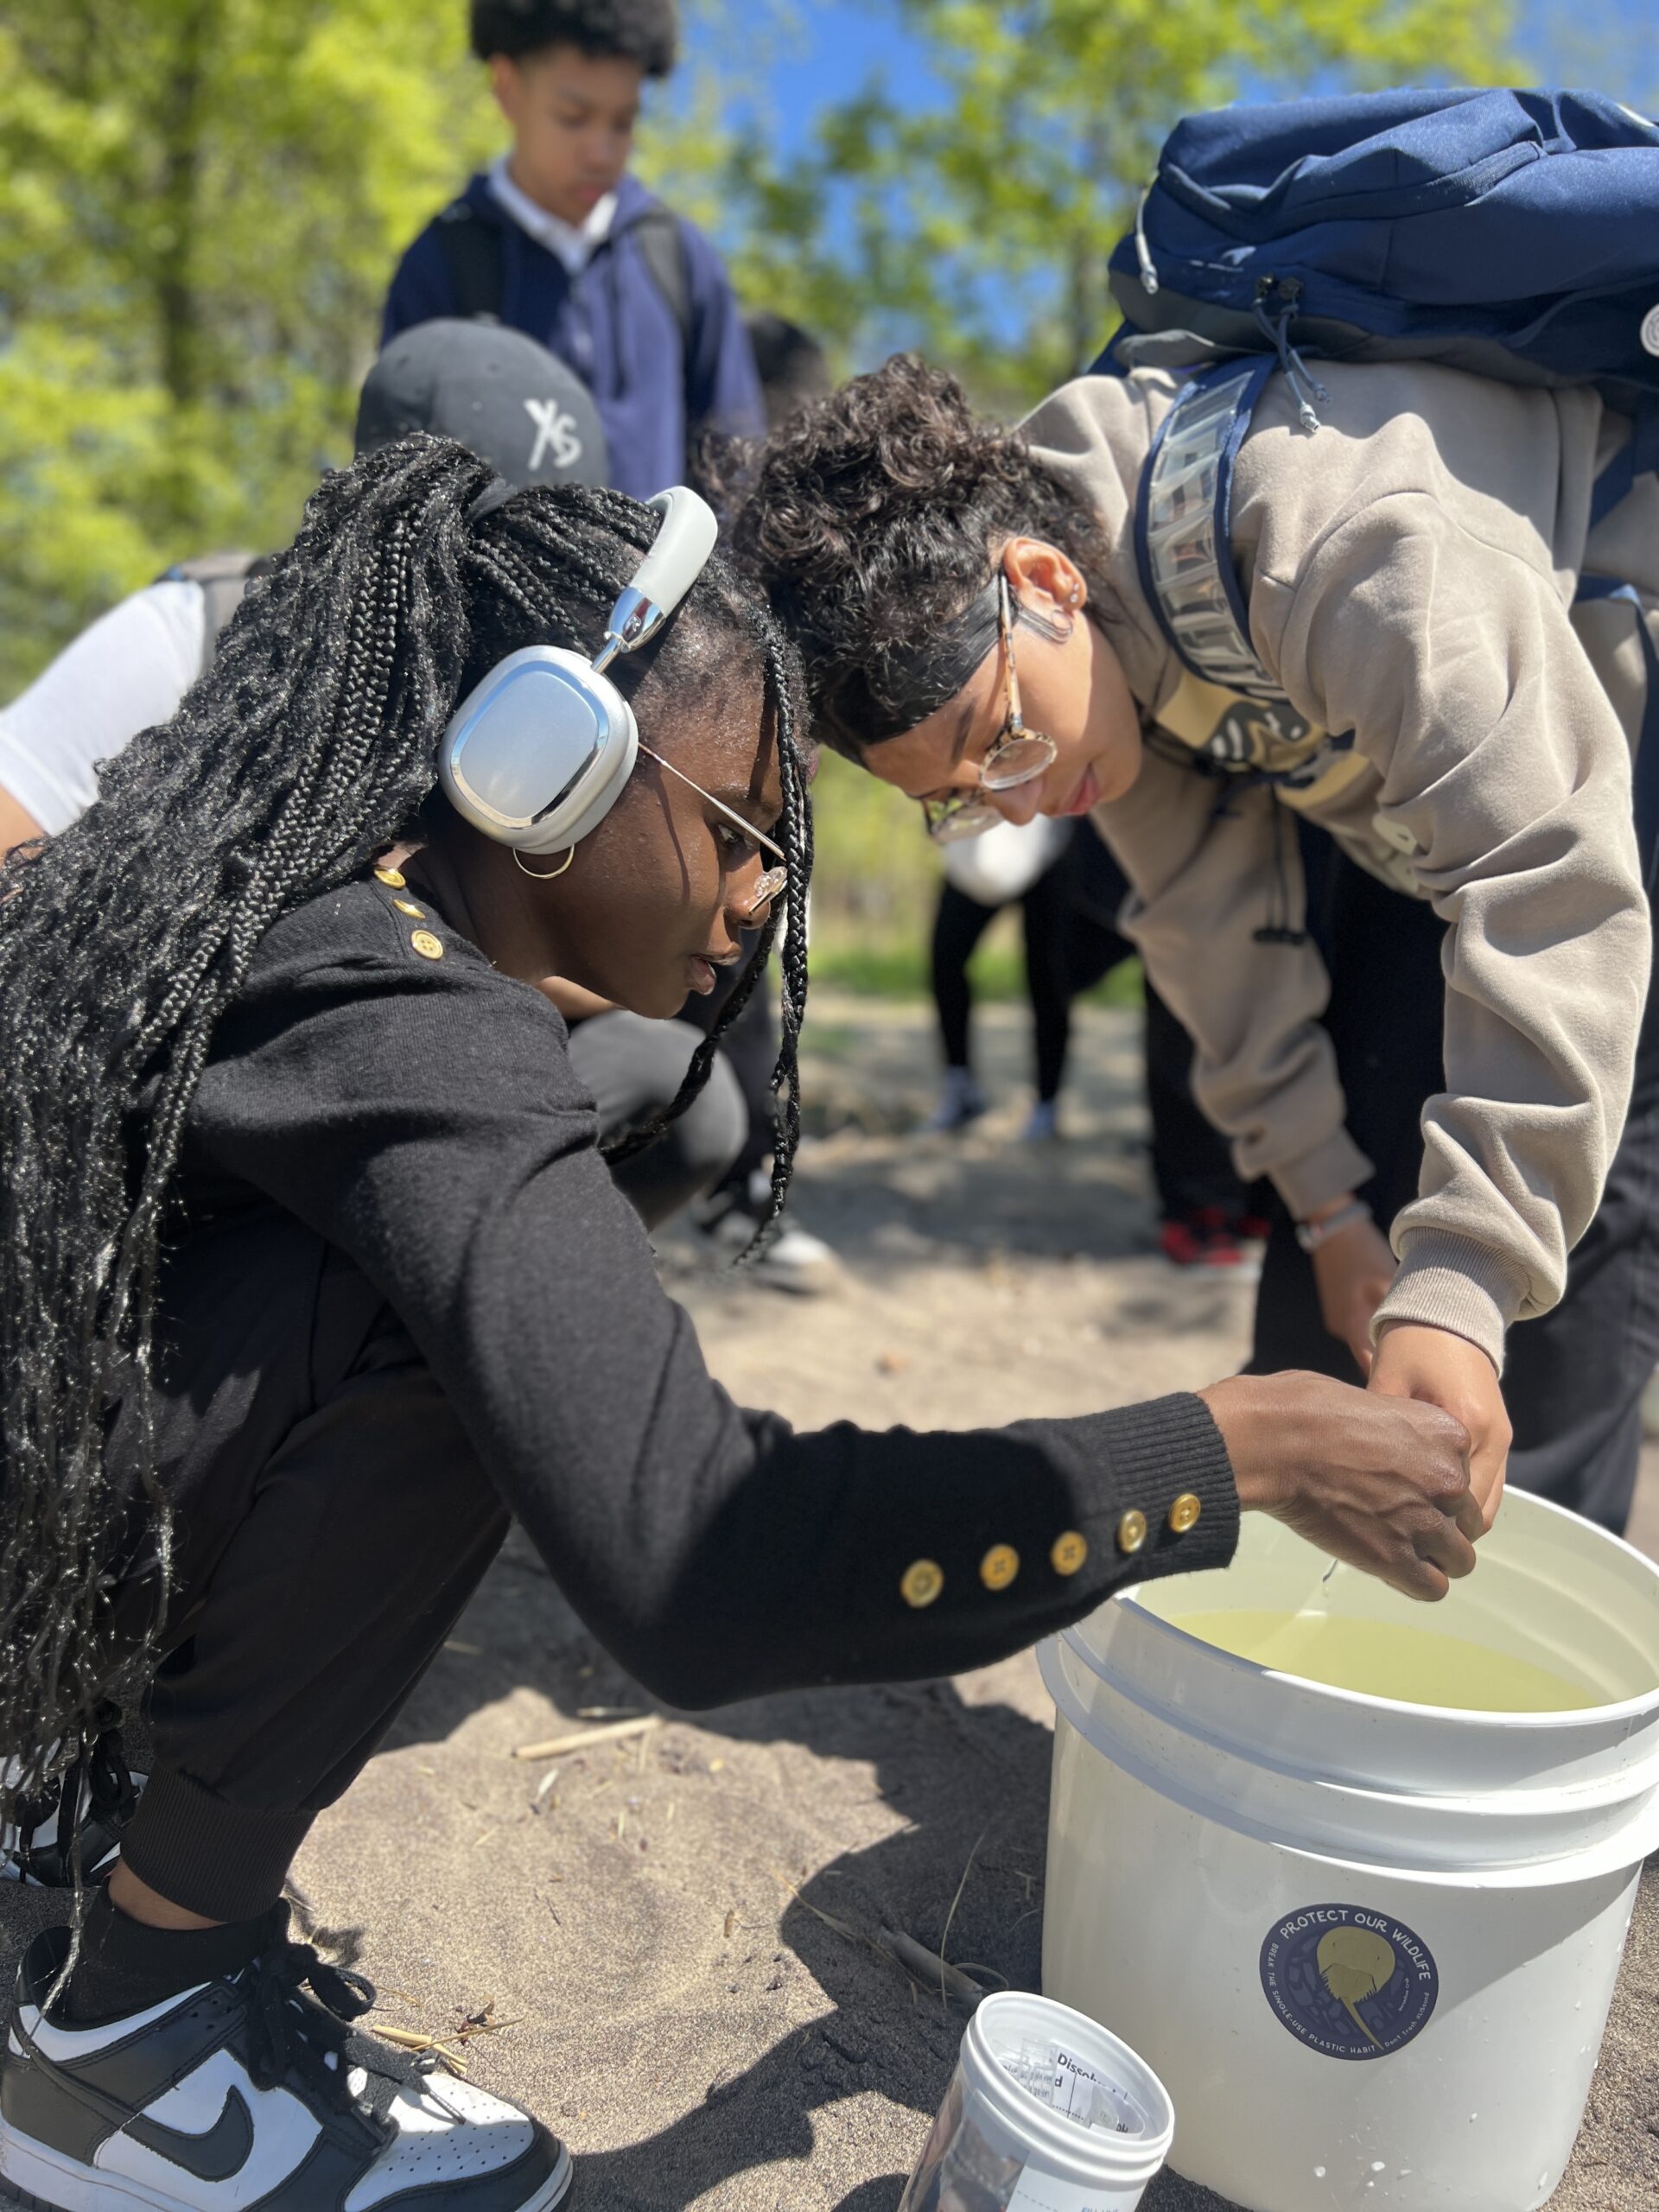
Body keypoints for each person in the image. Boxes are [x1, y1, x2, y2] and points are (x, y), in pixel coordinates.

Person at [0, 440, 1480, 2211]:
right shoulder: (420, 1038)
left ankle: (60, 1838)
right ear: (551, 756)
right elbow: (705, 1562)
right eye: (750, 823)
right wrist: (1234, 1448)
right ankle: (133, 2026)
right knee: (436, 1330)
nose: (770, 892)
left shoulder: (285, 911)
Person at [731, 352, 1658, 1533]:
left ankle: (1522, 1664)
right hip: (1417, 820)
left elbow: (1550, 885)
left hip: (1597, 756)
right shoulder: (1093, 675)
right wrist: (1330, 1215)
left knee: (1558, 1263)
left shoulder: (1352, 542)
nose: (1015, 805)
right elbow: (1213, 937)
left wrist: (1466, 1283)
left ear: (1044, 578)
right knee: (1340, 1276)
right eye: (959, 796)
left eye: (999, 742)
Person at [0, 319, 746, 1246]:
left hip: (448, 1044)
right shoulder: (192, 632)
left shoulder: (561, 704)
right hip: (199, 1074)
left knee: (678, 1089)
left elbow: (586, 950)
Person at [382, 0, 763, 501]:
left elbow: (739, 470)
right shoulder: (441, 265)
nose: (601, 152)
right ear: (507, 88)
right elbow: (398, 494)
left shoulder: (679, 258)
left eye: (623, 123)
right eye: (573, 118)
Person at [922, 815, 1077, 1141]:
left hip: (1047, 845)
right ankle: (961, 1087)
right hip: (972, 848)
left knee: (1048, 976)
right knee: (945, 961)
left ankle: (1047, 1103)